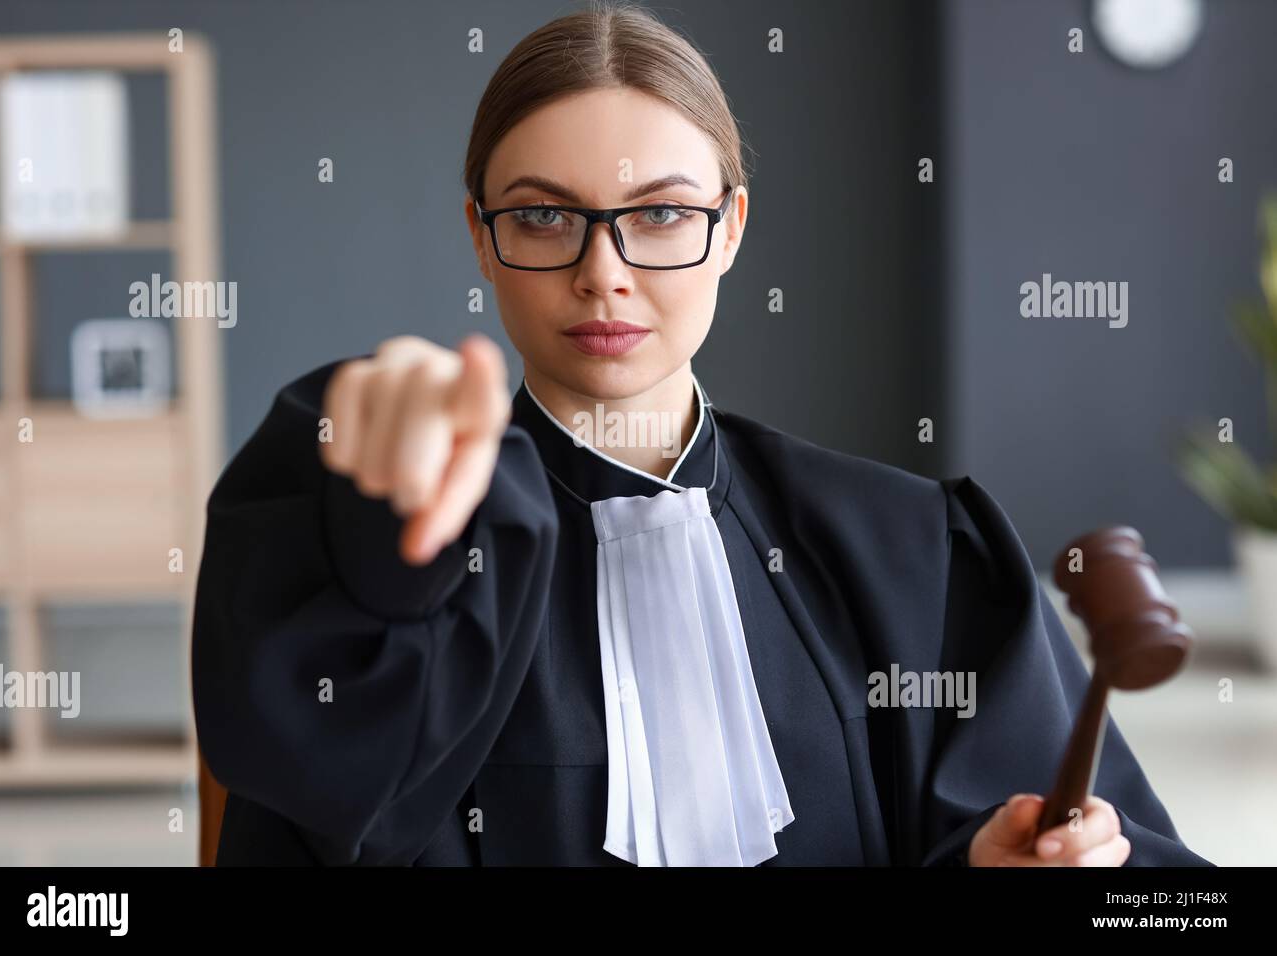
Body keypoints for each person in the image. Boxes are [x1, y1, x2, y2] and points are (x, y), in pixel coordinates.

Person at [191, 2, 1210, 867]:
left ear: (729, 228)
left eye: (662, 214)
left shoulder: (914, 551)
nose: (604, 273)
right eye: (545, 218)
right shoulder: (390, 560)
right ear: (479, 235)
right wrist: (380, 532)